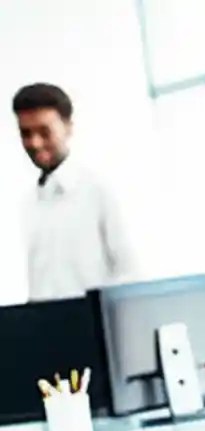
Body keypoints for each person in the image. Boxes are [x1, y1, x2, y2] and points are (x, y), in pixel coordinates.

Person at [13, 82, 136, 302]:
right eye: (26, 133)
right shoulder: (29, 202)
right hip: (43, 327)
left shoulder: (99, 189)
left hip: (94, 325)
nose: (35, 143)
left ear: (68, 127)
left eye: (45, 132)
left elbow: (131, 272)